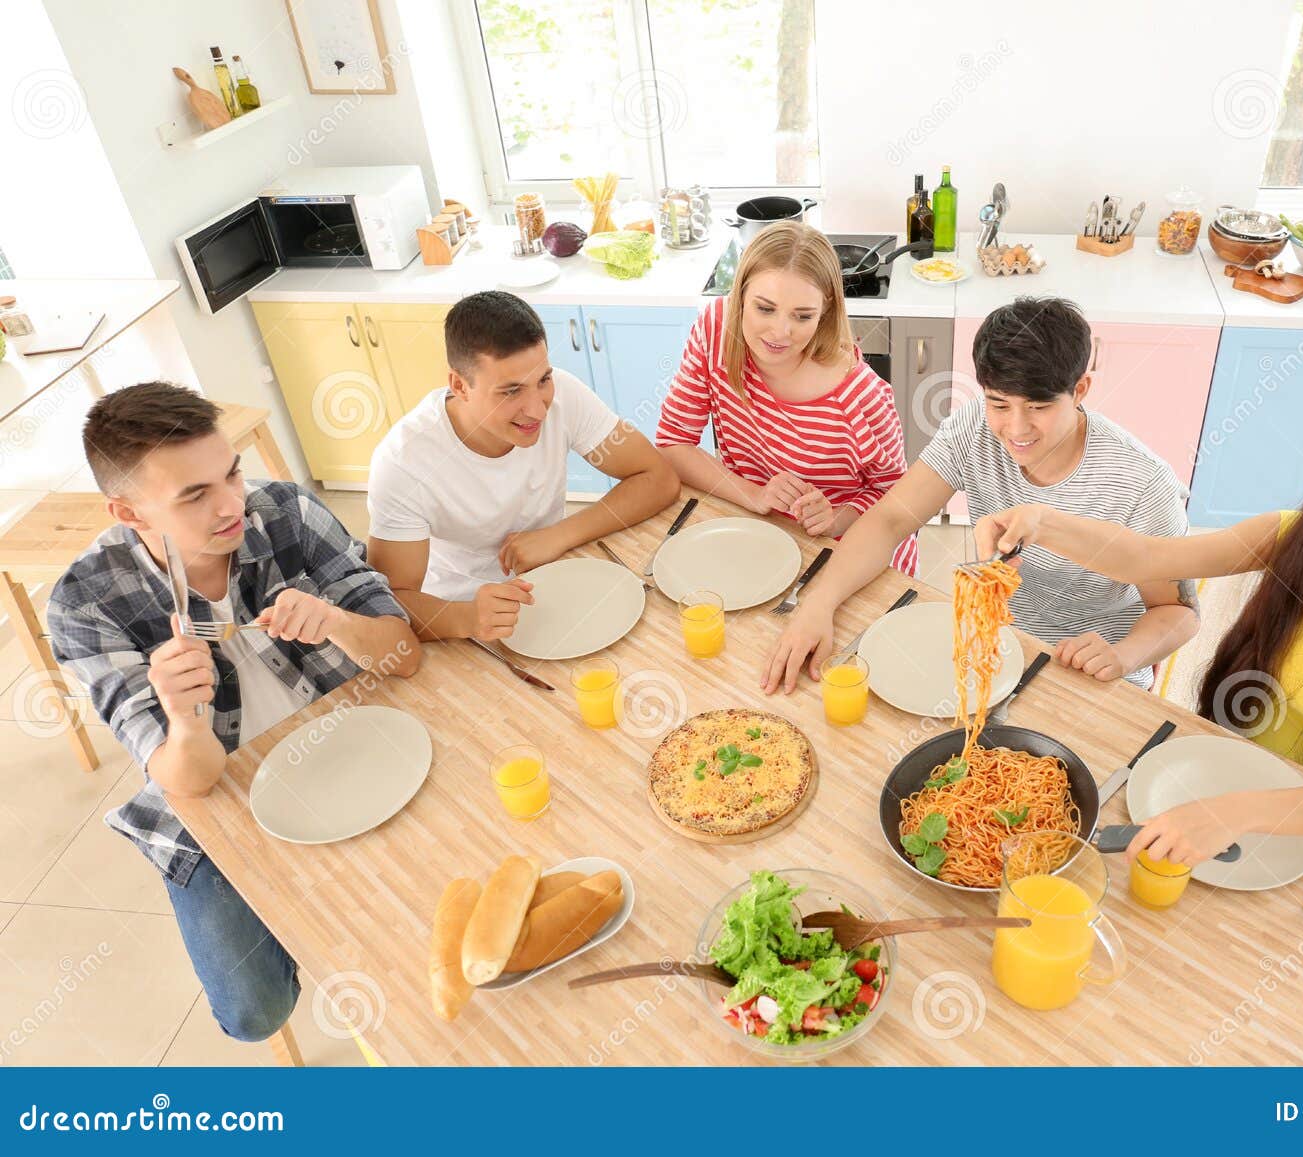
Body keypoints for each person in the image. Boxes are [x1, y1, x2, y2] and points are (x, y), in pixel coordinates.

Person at [48, 381, 420, 1043]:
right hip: (214, 797)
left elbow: (404, 655)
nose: (231, 505)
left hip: (344, 734)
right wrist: (184, 718)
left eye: (231, 473)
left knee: (412, 932)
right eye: (193, 495)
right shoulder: (84, 602)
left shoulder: (287, 512)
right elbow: (184, 778)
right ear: (128, 511)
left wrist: (339, 622)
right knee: (255, 1011)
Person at [974, 418, 1303, 866]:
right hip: (1224, 768)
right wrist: (1042, 521)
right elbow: (1148, 560)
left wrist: (1239, 812)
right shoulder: (1292, 536)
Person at [764, 295, 1198, 694]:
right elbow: (889, 520)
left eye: (1039, 407)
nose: (1016, 429)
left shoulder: (1143, 483)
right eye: (1000, 404)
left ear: (1080, 390)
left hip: (1093, 675)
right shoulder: (973, 426)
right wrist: (817, 604)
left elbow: (1179, 613)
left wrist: (1121, 656)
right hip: (995, 648)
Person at [367, 290, 678, 641]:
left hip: (552, 585)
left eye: (543, 379)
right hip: (458, 618)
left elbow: (658, 478)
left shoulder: (564, 396)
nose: (538, 410)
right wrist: (468, 617)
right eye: (511, 391)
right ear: (459, 385)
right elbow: (386, 608)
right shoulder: (403, 462)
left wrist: (560, 535)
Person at [655, 221, 917, 574]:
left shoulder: (861, 395)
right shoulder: (716, 329)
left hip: (846, 551)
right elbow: (674, 443)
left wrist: (835, 519)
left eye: (803, 316)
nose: (780, 332)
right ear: (741, 296)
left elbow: (898, 502)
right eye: (765, 308)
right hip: (758, 532)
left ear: (825, 311)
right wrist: (754, 493)